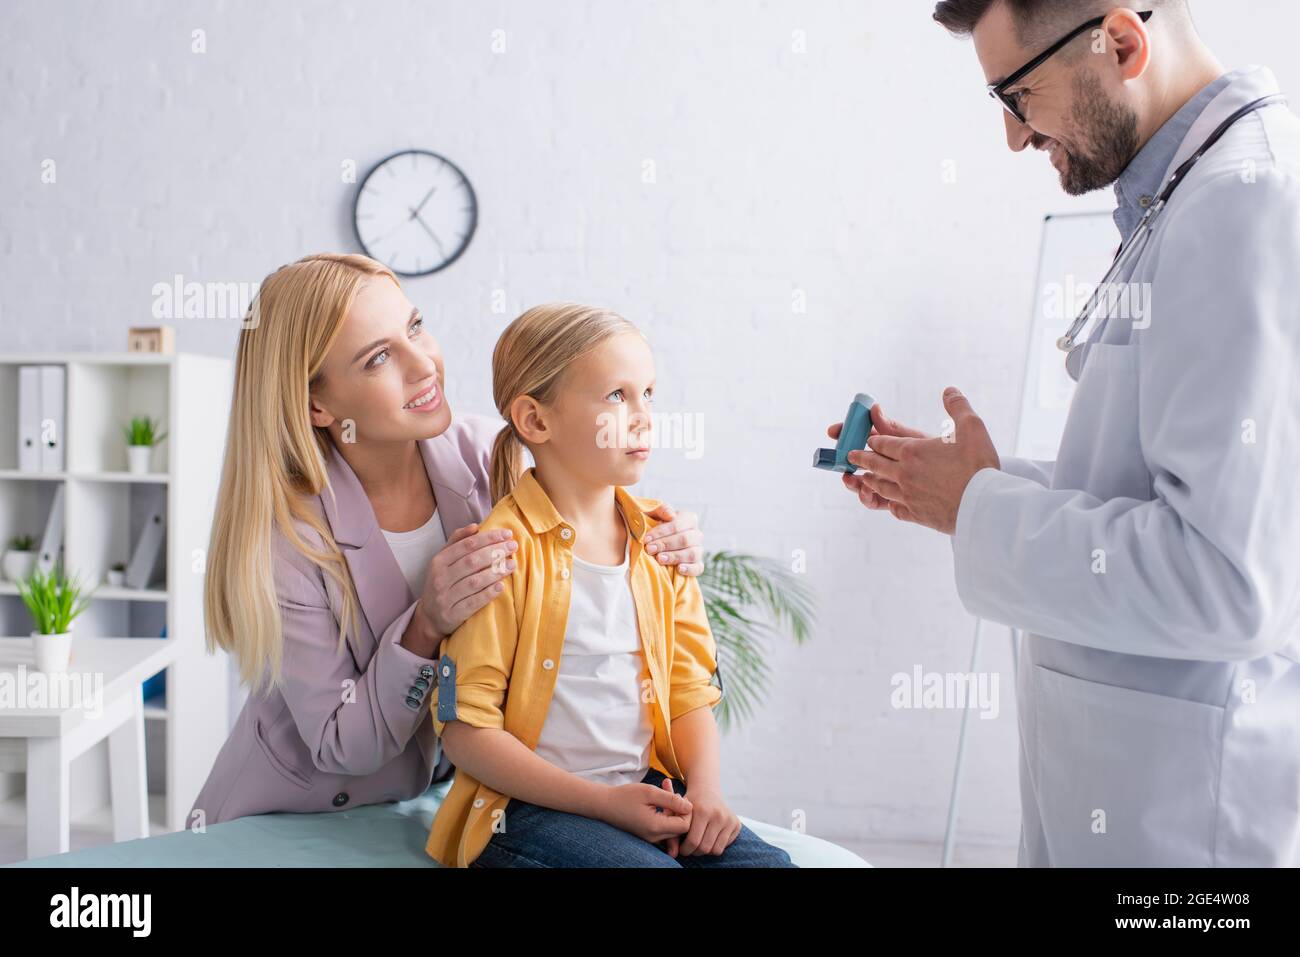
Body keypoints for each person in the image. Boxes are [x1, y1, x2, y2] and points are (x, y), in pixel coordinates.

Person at [834, 1, 1300, 865]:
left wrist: (979, 507)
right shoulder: (1182, 198)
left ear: (1119, 41)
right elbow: (1153, 490)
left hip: (1186, 844)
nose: (1015, 139)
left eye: (1019, 95)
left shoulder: (1244, 204)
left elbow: (1230, 580)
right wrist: (972, 484)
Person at [190, 255, 707, 826]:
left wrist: (665, 543)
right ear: (317, 404)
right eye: (378, 358)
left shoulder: (494, 458)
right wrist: (425, 625)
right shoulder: (287, 541)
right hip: (298, 812)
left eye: (414, 327)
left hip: (434, 796)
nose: (423, 365)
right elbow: (344, 746)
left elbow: (597, 524)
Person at [426, 302, 796, 867]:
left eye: (649, 393)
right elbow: (464, 730)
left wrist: (706, 793)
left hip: (646, 789)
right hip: (524, 810)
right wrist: (603, 804)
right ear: (536, 420)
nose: (644, 417)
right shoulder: (501, 552)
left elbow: (687, 688)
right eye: (616, 397)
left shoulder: (661, 542)